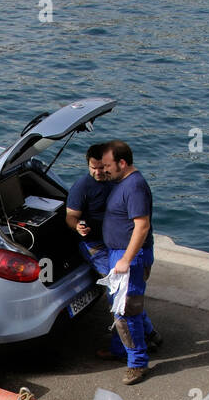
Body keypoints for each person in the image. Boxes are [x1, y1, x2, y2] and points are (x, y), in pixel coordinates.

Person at [97, 140, 160, 385]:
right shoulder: (123, 183)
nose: (104, 170)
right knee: (123, 304)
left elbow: (141, 226)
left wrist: (126, 259)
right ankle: (125, 346)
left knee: (126, 311)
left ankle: (137, 363)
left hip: (128, 258)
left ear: (122, 163)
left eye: (108, 165)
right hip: (120, 254)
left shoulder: (134, 187)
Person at [65, 143, 113, 276]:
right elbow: (70, 217)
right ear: (88, 165)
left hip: (114, 238)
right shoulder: (81, 187)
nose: (97, 172)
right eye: (93, 168)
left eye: (101, 168)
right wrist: (78, 226)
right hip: (93, 242)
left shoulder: (115, 181)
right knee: (112, 275)